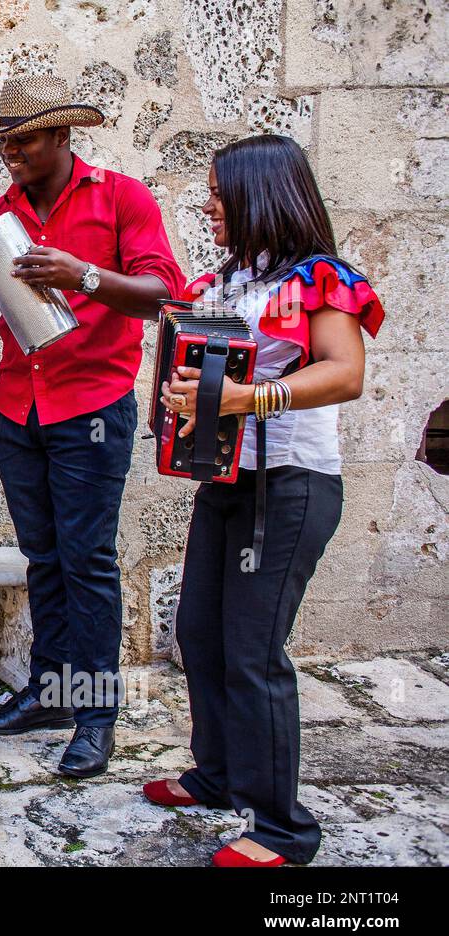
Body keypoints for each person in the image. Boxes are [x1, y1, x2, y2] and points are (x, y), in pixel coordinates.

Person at [145, 134, 384, 866]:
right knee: (199, 633)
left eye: (219, 191)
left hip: (290, 483)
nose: (208, 203)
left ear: (259, 193)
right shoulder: (230, 281)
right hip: (229, 478)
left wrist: (252, 397)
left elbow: (344, 373)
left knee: (253, 651)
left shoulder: (320, 277)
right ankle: (217, 775)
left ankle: (282, 827)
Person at [0, 76, 185, 777]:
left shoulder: (120, 198)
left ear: (62, 137)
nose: (10, 151)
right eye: (5, 140)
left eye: (24, 139)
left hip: (92, 408)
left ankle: (96, 714)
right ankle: (48, 692)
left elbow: (165, 293)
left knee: (89, 563)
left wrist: (84, 276)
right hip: (18, 408)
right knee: (43, 560)